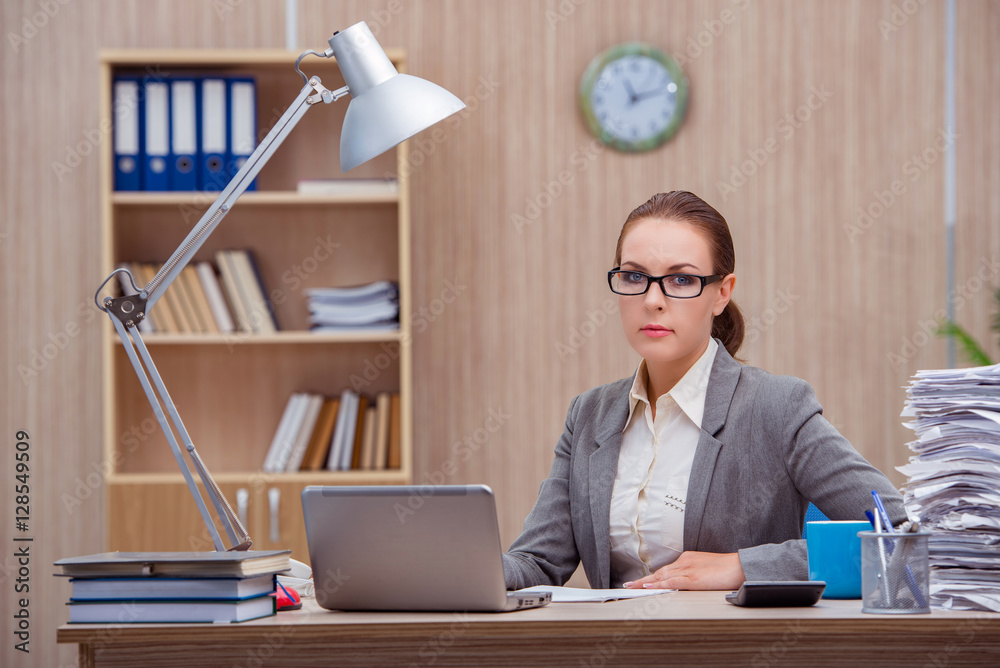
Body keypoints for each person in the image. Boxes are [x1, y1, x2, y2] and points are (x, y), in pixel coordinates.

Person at [502, 191, 906, 591]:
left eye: (681, 280)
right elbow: (536, 563)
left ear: (722, 293)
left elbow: (898, 533)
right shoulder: (589, 414)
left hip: (729, 634)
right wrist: (468, 565)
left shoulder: (777, 406)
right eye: (634, 277)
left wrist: (745, 567)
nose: (653, 300)